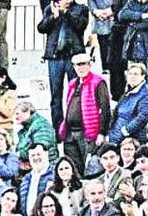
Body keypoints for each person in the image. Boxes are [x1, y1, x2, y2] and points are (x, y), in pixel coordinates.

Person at [39, 0, 89, 132]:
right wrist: (53, 16)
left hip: (73, 56)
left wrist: (66, 13)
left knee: (75, 93)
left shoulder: (81, 9)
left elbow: (80, 26)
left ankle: (74, 125)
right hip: (55, 57)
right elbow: (41, 28)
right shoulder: (50, 9)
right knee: (56, 95)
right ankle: (58, 128)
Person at [59, 53, 110, 171]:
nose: (80, 68)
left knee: (89, 167)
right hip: (70, 133)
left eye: (83, 64)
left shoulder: (98, 82)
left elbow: (105, 109)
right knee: (74, 167)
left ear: (89, 65)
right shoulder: (73, 83)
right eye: (77, 65)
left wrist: (102, 132)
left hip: (87, 133)